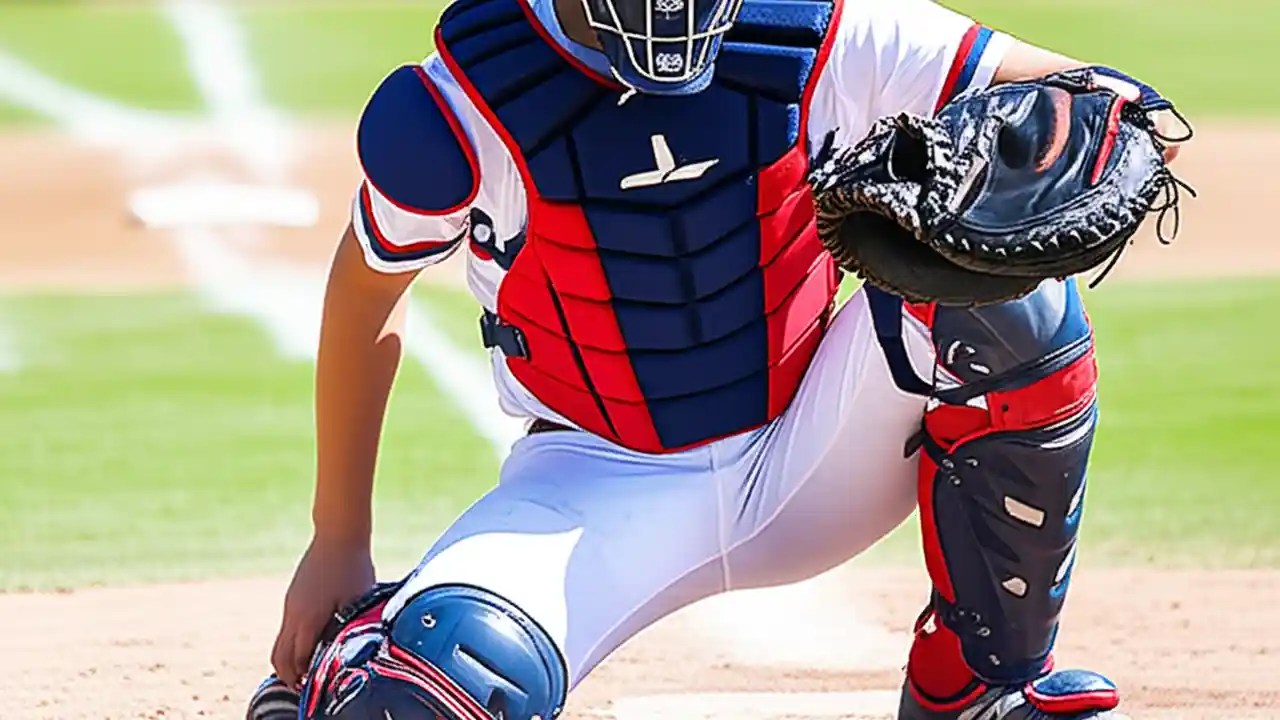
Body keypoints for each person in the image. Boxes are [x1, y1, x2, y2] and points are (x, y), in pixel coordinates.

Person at [250, 0, 1184, 717]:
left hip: (820, 443)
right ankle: (349, 657)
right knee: (442, 681)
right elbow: (367, 288)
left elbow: (1078, 94)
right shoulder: (462, 99)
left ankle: (980, 685)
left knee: (1013, 308)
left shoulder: (824, 30)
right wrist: (340, 539)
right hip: (594, 483)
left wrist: (1106, 108)